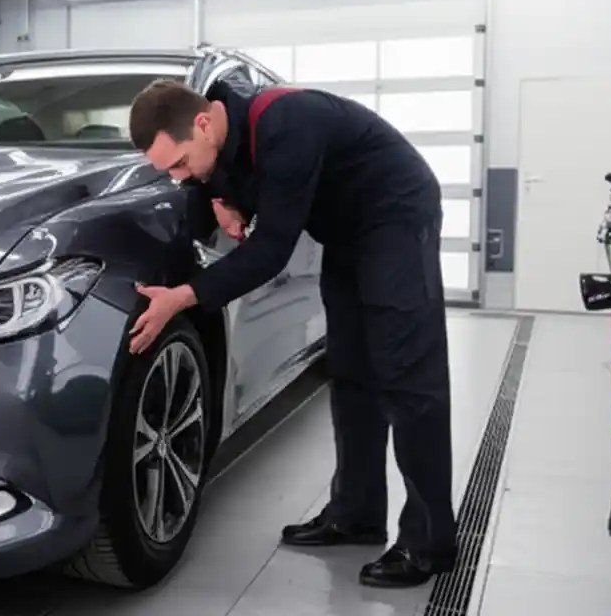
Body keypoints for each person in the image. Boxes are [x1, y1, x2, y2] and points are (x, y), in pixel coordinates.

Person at [125, 75, 457, 589]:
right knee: (351, 372)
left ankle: (430, 542)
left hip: (396, 213)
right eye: (169, 170)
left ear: (204, 123)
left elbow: (271, 251)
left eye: (181, 164)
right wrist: (218, 196)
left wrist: (183, 296)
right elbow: (215, 185)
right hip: (345, 231)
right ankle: (356, 514)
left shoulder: (286, 124)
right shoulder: (219, 142)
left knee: (408, 374)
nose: (180, 177)